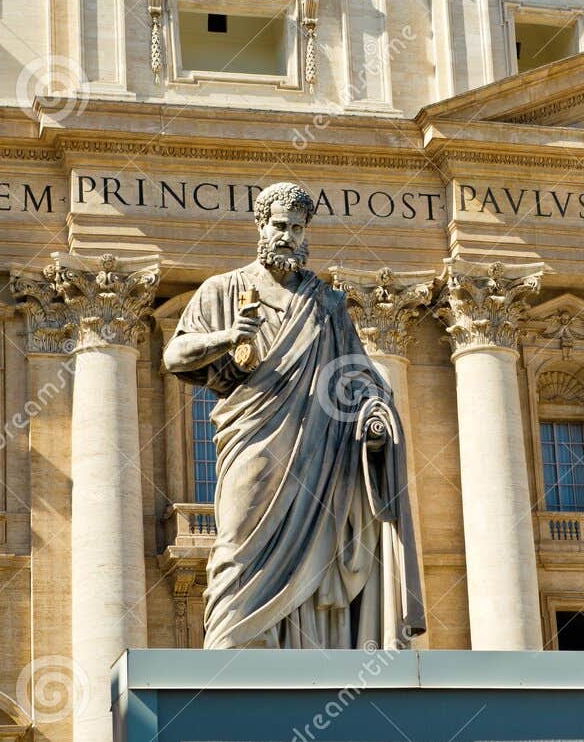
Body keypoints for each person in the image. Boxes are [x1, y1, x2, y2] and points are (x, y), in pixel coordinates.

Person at [163, 182, 424, 649]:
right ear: (261, 226)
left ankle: (308, 652)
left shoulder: (326, 303)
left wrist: (374, 417)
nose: (287, 236)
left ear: (307, 235)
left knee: (315, 554)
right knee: (237, 546)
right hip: (255, 441)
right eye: (280, 226)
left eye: (297, 229)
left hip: (321, 454)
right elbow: (176, 356)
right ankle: (232, 652)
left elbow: (356, 374)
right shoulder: (222, 289)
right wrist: (227, 337)